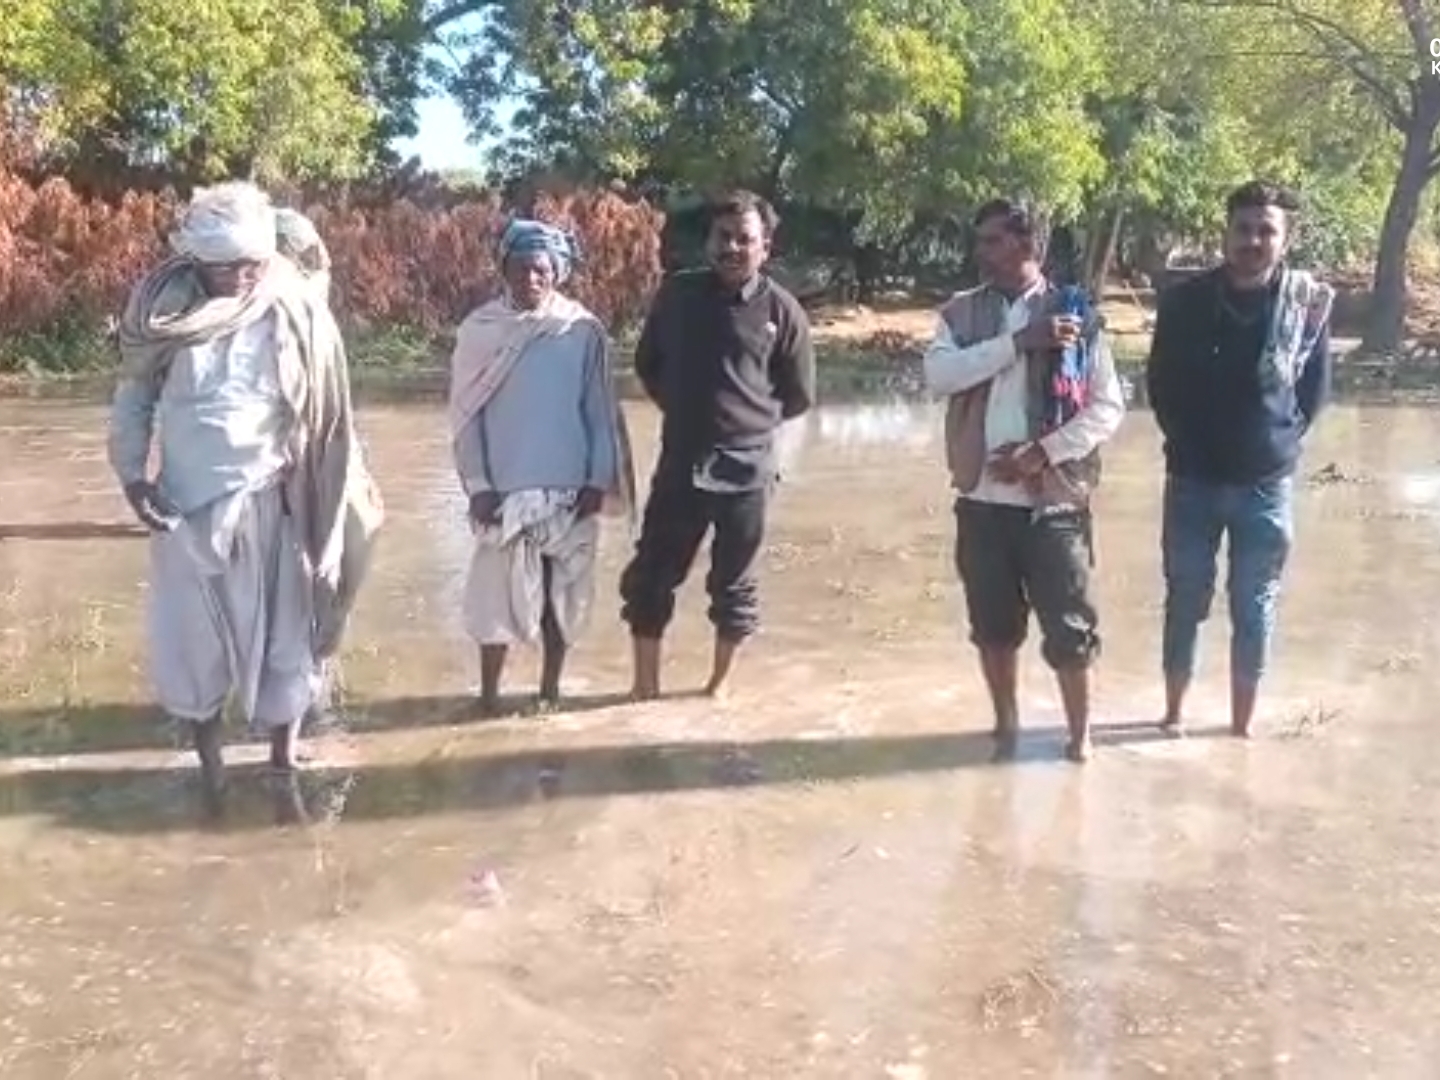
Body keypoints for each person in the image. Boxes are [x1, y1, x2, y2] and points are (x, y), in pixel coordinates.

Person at [108, 181, 383, 795]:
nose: (241, 278)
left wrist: (320, 493)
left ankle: (282, 764)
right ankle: (212, 777)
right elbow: (133, 400)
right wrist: (132, 478)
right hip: (185, 510)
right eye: (228, 267)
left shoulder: (293, 305)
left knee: (289, 639)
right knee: (193, 649)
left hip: (276, 502)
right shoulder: (161, 312)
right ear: (198, 264)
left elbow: (325, 410)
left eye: (254, 264)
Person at [922, 198, 1125, 762]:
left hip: (1054, 502)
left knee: (1071, 627)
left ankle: (1079, 738)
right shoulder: (960, 314)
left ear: (1028, 244)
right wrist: (1018, 343)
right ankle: (1006, 725)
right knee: (992, 627)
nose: (980, 252)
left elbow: (1107, 408)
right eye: (980, 240)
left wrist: (1042, 452)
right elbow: (939, 375)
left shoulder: (1077, 313)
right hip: (982, 502)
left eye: (993, 241)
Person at [1146, 181, 1333, 738]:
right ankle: (1173, 713)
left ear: (1285, 239)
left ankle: (1239, 728)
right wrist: (1186, 439)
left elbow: (1313, 393)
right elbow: (1161, 385)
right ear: (1225, 233)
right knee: (1184, 597)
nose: (1253, 240)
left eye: (1266, 230)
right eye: (1244, 228)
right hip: (1192, 480)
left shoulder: (1304, 307)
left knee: (1255, 607)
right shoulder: (1184, 302)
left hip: (1265, 485)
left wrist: (1276, 444)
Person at [619, 190, 815, 699]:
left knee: (735, 587)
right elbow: (649, 366)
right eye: (722, 237)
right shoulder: (677, 296)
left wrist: (743, 427)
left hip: (748, 471)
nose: (732, 247)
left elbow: (798, 397)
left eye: (744, 239)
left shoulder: (783, 311)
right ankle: (644, 689)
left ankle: (717, 690)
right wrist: (688, 417)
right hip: (681, 462)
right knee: (650, 577)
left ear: (765, 247)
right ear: (709, 241)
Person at [449, 219, 636, 713]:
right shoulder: (478, 332)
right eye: (520, 267)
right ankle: (487, 699)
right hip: (505, 491)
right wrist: (478, 486)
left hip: (569, 489)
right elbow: (465, 418)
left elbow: (599, 412)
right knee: (494, 603)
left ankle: (549, 693)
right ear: (503, 269)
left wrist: (598, 480)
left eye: (541, 269)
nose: (530, 278)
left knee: (561, 599)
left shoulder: (582, 330)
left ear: (558, 272)